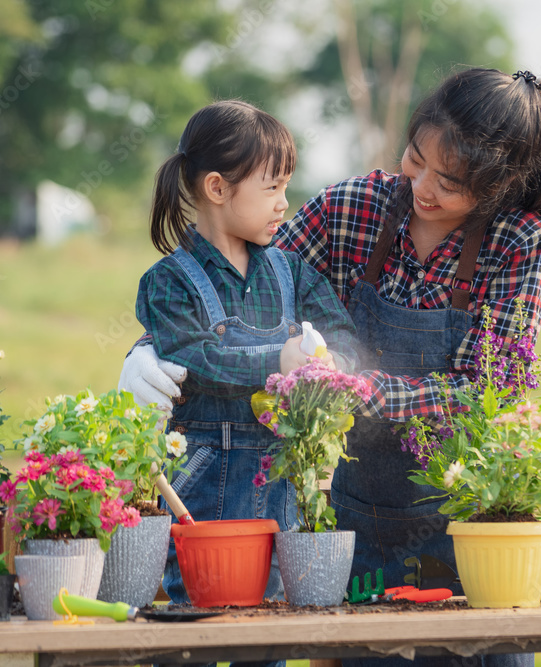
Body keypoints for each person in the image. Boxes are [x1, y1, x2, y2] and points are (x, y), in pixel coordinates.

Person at [122, 68, 541, 667]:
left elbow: (491, 388)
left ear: (500, 186)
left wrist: (361, 389)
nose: (424, 188)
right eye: (416, 158)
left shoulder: (520, 242)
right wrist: (148, 350)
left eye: (451, 182)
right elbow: (231, 284)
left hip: (472, 528)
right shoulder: (350, 209)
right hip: (352, 524)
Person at [133, 100, 360, 616]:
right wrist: (275, 362)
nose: (284, 203)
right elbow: (192, 355)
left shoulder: (291, 272)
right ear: (217, 188)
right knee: (204, 613)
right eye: (271, 187)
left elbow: (343, 335)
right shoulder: (168, 282)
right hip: (205, 482)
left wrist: (329, 365)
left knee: (275, 619)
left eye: (285, 186)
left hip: (282, 480)